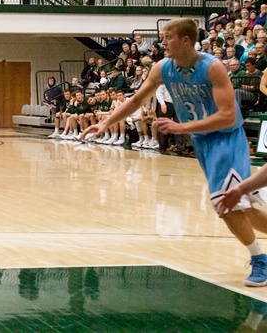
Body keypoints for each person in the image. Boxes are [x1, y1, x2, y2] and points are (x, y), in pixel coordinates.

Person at [82, 18, 267, 287]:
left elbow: (228, 117)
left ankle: (259, 259)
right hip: (202, 141)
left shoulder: (213, 68)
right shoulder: (163, 67)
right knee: (243, 208)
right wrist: (106, 122)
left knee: (225, 203)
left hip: (226, 139)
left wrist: (181, 127)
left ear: (185, 40)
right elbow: (137, 99)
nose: (162, 42)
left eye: (167, 36)